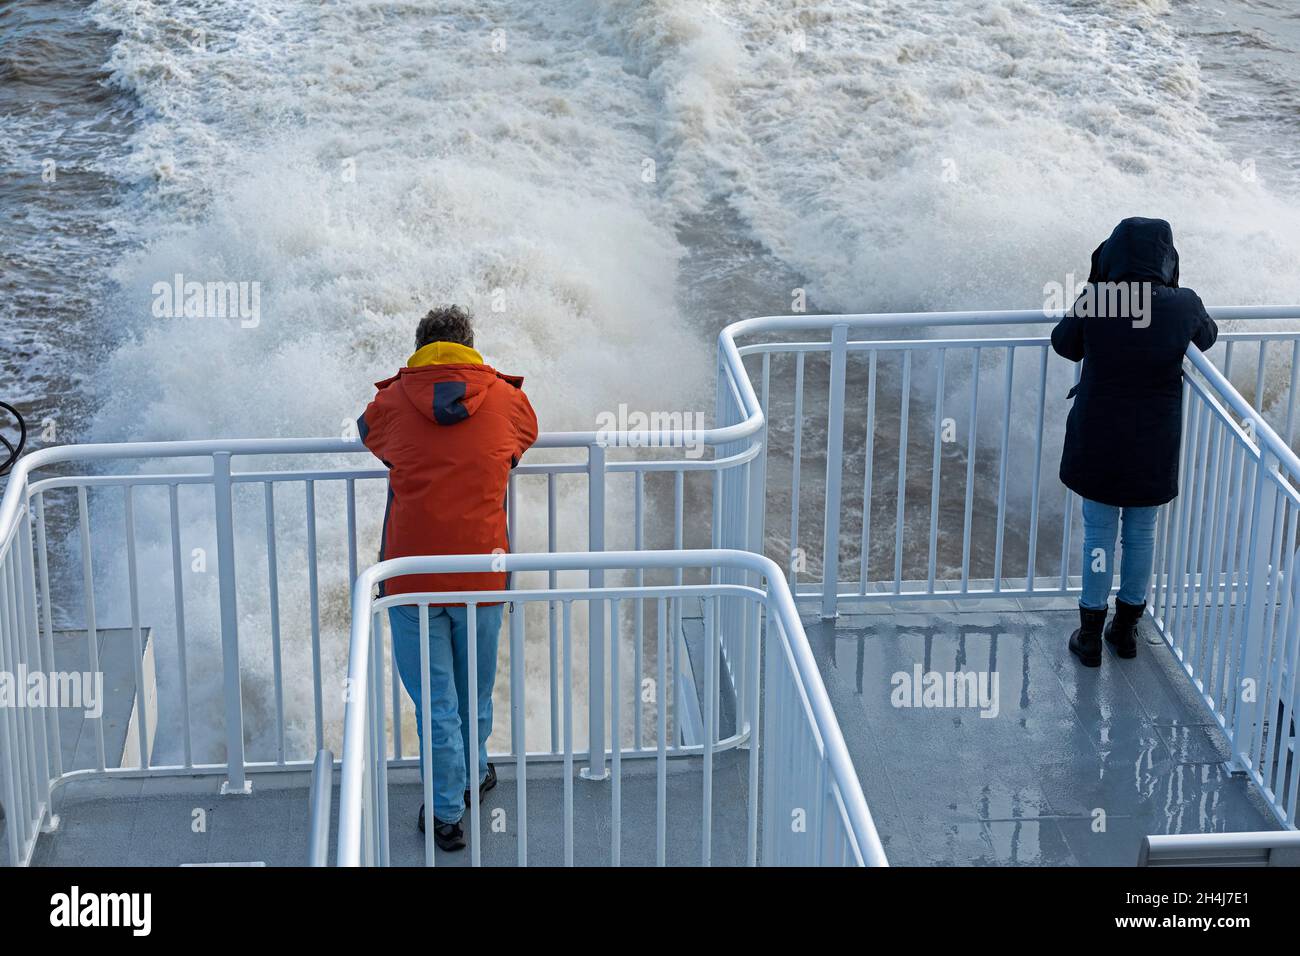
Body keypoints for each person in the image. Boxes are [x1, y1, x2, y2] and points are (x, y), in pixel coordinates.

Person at [358, 305, 538, 849]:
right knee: (475, 689)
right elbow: (524, 436)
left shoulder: (392, 403)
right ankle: (476, 773)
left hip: (411, 579)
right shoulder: (506, 401)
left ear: (419, 349)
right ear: (469, 345)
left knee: (435, 701)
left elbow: (369, 433)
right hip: (482, 574)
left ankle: (444, 814)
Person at [1051, 218, 1217, 667]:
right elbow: (1207, 336)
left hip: (1099, 436)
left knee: (1098, 536)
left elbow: (1064, 344)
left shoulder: (1099, 299)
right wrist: (1176, 291)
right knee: (1141, 534)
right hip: (1152, 440)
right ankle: (1124, 632)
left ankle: (1088, 636)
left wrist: (1094, 285)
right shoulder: (1184, 305)